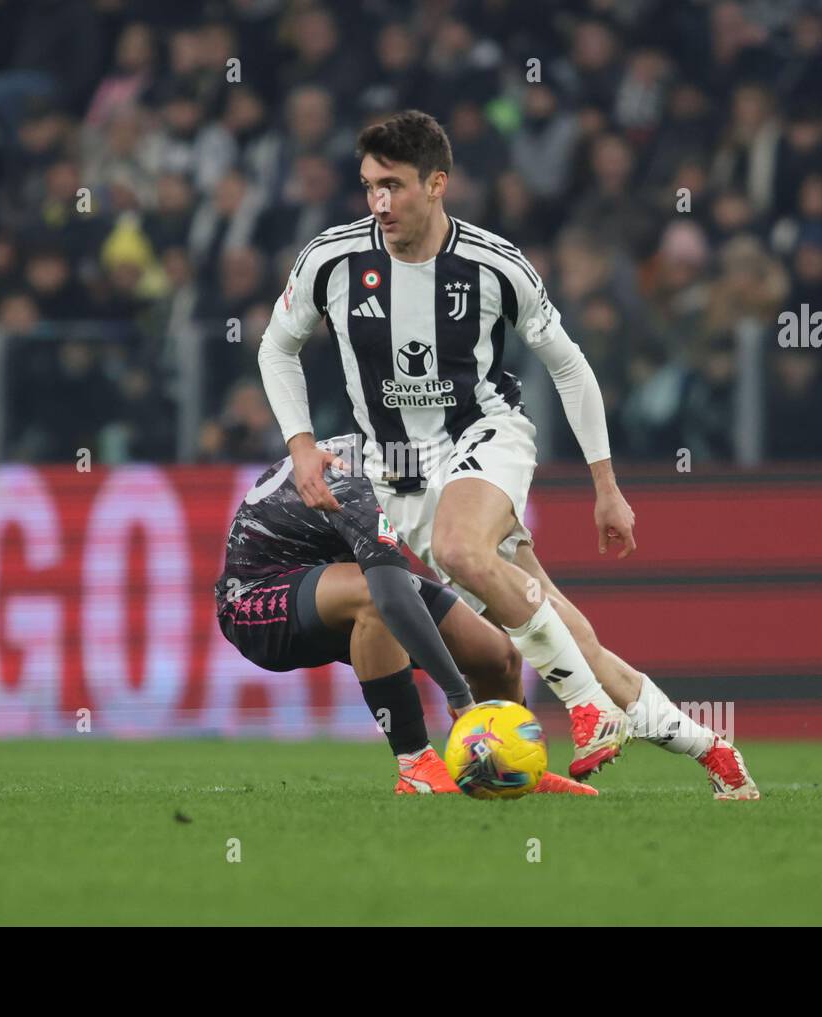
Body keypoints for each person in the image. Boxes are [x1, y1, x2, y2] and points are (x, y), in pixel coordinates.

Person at [257, 110, 757, 799]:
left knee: (465, 550)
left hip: (484, 435)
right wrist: (301, 442)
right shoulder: (332, 259)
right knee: (560, 620)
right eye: (370, 185)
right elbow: (276, 346)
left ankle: (588, 711)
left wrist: (605, 485)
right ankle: (712, 750)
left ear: (438, 183)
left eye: (395, 185)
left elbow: (571, 367)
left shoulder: (494, 263)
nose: (380, 203)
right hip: (399, 476)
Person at [215, 432, 595, 796]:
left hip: (330, 582)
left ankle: (511, 767)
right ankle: (415, 764)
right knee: (374, 597)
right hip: (254, 603)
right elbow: (391, 598)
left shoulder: (403, 462)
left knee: (497, 656)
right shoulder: (361, 483)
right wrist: (460, 697)